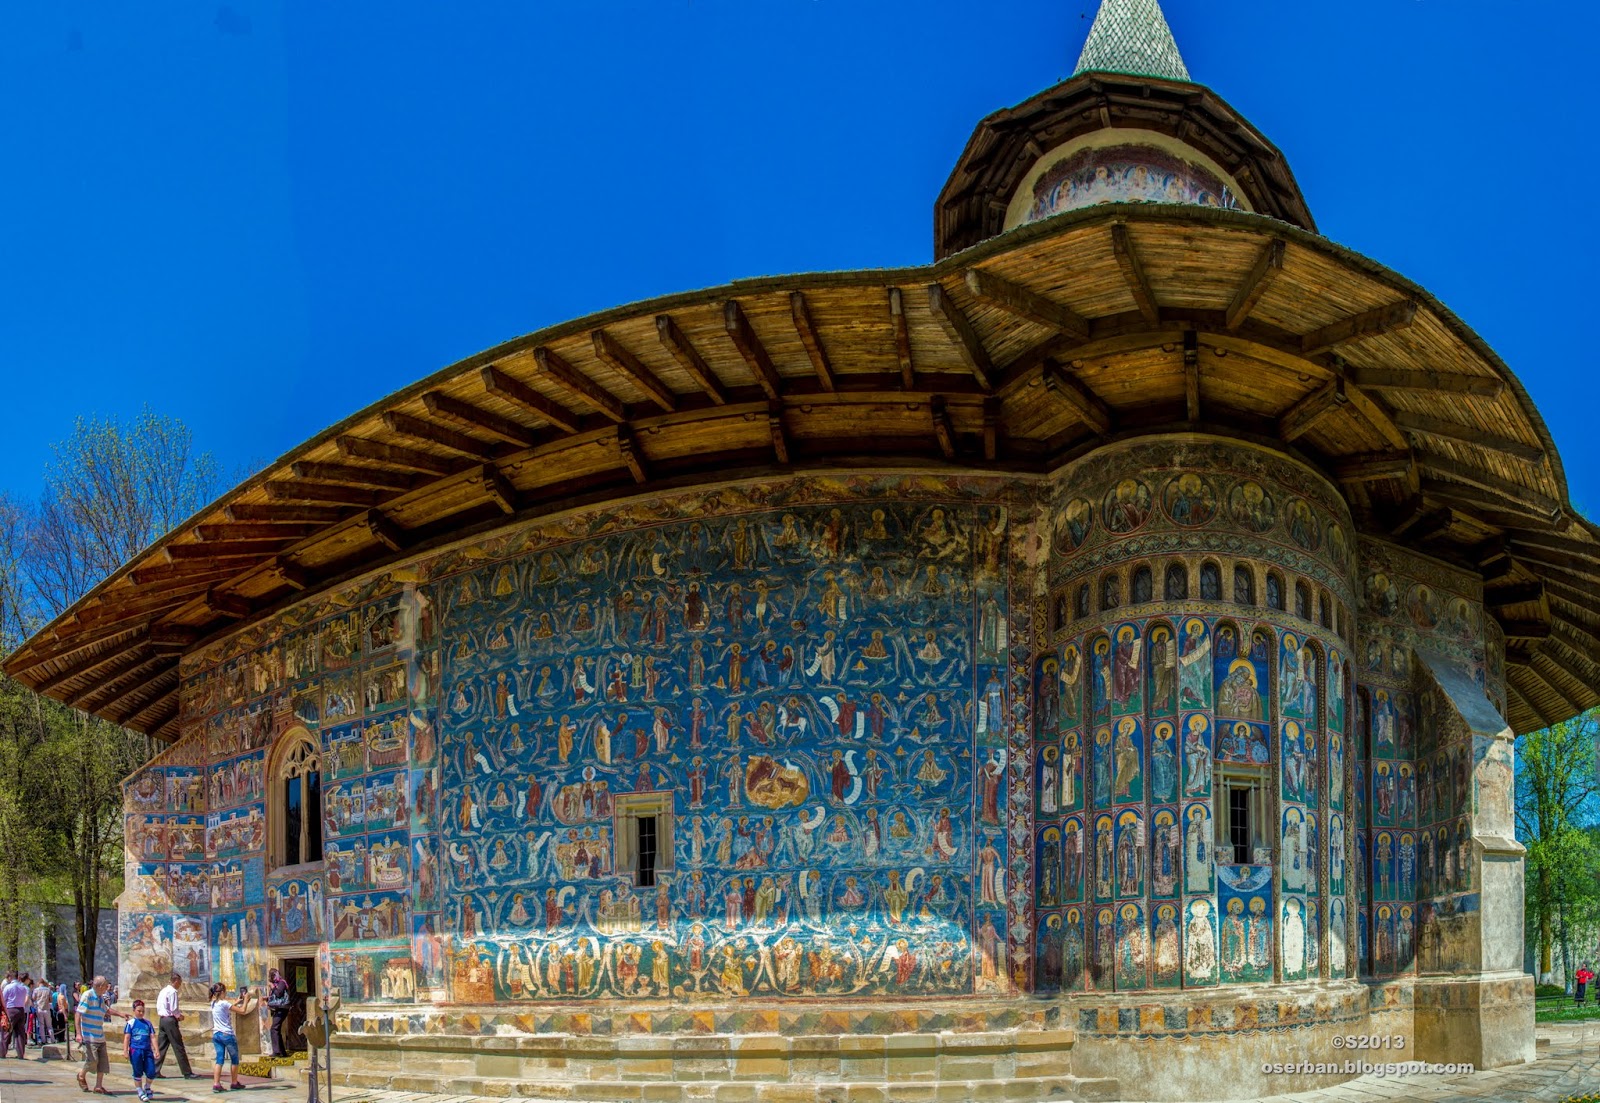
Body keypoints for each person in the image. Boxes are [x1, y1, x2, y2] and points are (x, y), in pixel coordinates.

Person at [75, 974, 127, 1094]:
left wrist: (120, 1014)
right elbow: (78, 1014)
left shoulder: (100, 998)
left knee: (103, 1062)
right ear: (100, 986)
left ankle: (98, 1086)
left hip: (100, 1035)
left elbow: (106, 1010)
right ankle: (81, 1075)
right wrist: (78, 1033)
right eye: (105, 985)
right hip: (89, 1035)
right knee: (92, 1060)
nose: (107, 987)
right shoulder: (87, 995)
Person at [208, 982, 257, 1093]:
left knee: (219, 1059)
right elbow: (242, 1011)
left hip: (216, 1034)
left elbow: (227, 1007)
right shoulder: (224, 1003)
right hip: (227, 1035)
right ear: (222, 992)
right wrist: (245, 1000)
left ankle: (216, 1084)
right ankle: (234, 1082)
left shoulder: (213, 1003)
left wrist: (238, 1001)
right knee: (234, 1059)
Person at [155, 971, 197, 1078]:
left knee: (161, 1046)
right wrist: (179, 1016)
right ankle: (187, 1072)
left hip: (162, 1019)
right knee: (178, 1045)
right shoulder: (172, 992)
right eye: (180, 982)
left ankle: (154, 1070)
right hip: (170, 1020)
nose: (180, 984)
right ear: (176, 981)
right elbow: (174, 1009)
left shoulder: (163, 991)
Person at [123, 999, 159, 1101]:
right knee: (137, 1071)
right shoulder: (131, 1023)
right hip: (135, 1050)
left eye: (143, 1011)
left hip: (147, 1050)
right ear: (134, 1010)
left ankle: (147, 1087)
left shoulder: (148, 1023)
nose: (141, 1013)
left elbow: (152, 1037)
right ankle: (139, 1090)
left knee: (151, 1071)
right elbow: (127, 1037)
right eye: (139, 1011)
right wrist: (125, 1051)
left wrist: (156, 1050)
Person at [1, 970, 29, 1058]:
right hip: (21, 1010)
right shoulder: (23, 987)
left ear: (10, 977)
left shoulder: (8, 987)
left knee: (6, 1031)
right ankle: (21, 1054)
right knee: (20, 1032)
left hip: (11, 1009)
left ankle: (2, 1053)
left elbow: (3, 1000)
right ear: (18, 977)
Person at [265, 968, 291, 1057]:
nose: (270, 978)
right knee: (276, 1029)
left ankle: (276, 1051)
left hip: (282, 1008)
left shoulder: (282, 983)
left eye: (271, 976)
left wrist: (272, 987)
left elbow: (279, 993)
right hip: (277, 1008)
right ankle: (282, 1052)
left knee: (274, 1028)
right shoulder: (276, 984)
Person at [32, 976, 53, 1044]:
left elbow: (33, 998)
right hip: (46, 1008)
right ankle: (52, 1039)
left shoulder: (36, 990)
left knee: (41, 1025)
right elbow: (51, 999)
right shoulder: (48, 990)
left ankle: (43, 1040)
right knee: (49, 1025)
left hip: (39, 1008)